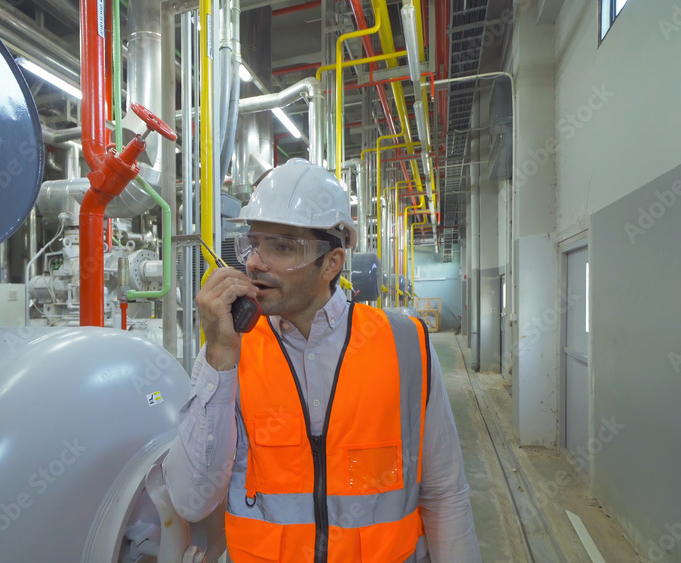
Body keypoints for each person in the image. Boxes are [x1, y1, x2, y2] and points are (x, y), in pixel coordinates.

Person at [164, 159, 481, 562]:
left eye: (282, 247)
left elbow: (446, 494)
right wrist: (219, 355)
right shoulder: (231, 349)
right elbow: (192, 500)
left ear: (332, 263)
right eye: (255, 243)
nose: (256, 262)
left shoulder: (405, 345)